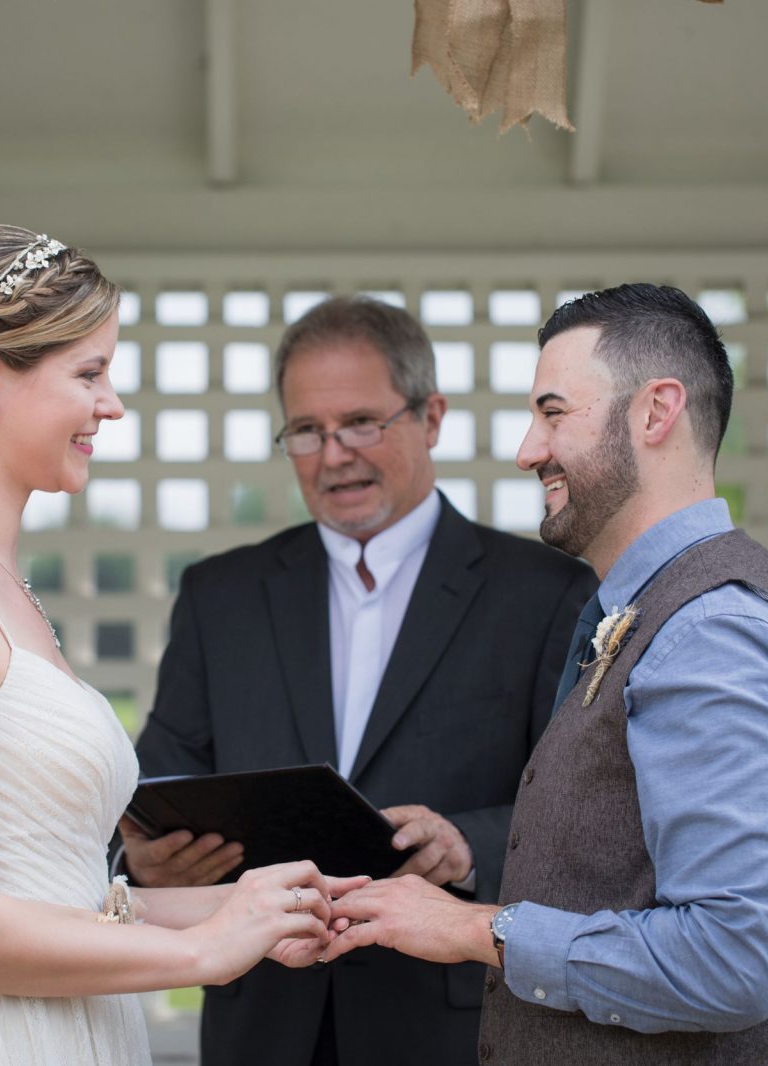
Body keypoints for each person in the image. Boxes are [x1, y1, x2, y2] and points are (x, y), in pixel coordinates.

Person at [0, 225, 364, 1066]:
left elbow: (58, 894)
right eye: (89, 373)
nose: (111, 405)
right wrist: (200, 955)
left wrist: (250, 909)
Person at [326, 283, 768, 1065]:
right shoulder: (651, 612)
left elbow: (733, 962)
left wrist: (475, 929)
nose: (527, 449)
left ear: (655, 411)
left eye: (554, 412)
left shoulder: (713, 632)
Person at [125, 296, 597, 1065]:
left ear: (431, 417)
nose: (334, 453)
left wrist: (469, 846)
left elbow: (581, 815)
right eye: (307, 431)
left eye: (361, 424)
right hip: (262, 1023)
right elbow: (159, 780)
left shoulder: (546, 593)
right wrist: (142, 858)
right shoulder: (222, 596)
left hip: (449, 1028)